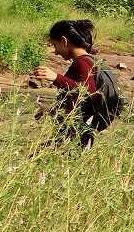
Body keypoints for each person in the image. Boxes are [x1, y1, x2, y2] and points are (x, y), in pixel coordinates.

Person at [34, 19, 99, 148]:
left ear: (64, 41)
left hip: (75, 133)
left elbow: (88, 91)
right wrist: (52, 111)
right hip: (72, 131)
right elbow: (75, 101)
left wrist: (56, 77)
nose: (55, 52)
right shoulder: (87, 61)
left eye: (54, 45)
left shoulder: (82, 62)